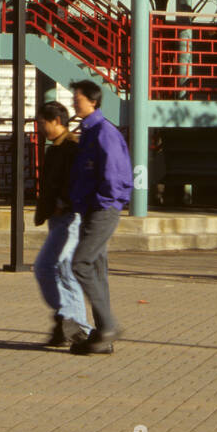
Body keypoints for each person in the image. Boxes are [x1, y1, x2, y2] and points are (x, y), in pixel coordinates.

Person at [67, 79, 133, 355]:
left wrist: (105, 203)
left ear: (92, 102)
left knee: (80, 263)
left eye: (78, 99)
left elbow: (115, 176)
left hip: (102, 210)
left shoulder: (104, 132)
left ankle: (108, 325)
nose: (74, 102)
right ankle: (103, 336)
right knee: (95, 269)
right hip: (92, 209)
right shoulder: (89, 131)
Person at [32, 101, 91, 348]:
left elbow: (77, 181)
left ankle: (75, 322)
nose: (40, 128)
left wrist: (64, 202)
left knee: (50, 267)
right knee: (60, 269)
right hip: (57, 216)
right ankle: (72, 322)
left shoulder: (72, 147)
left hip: (69, 216)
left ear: (56, 121)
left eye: (43, 123)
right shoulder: (54, 148)